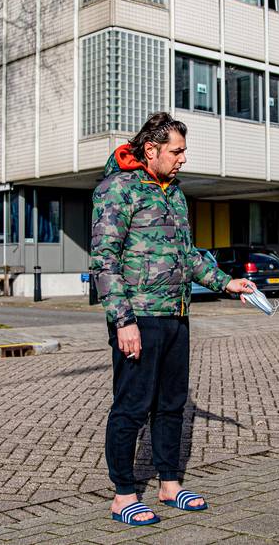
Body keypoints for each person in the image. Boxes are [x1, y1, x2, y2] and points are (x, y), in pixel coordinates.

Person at [91, 112, 255, 526]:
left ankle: (169, 483)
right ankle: (124, 493)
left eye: (184, 150)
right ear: (152, 149)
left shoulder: (175, 192)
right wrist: (122, 320)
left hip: (177, 315)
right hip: (138, 318)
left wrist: (225, 282)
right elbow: (103, 260)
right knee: (132, 406)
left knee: (171, 405)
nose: (183, 158)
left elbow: (189, 254)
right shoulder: (117, 189)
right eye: (177, 150)